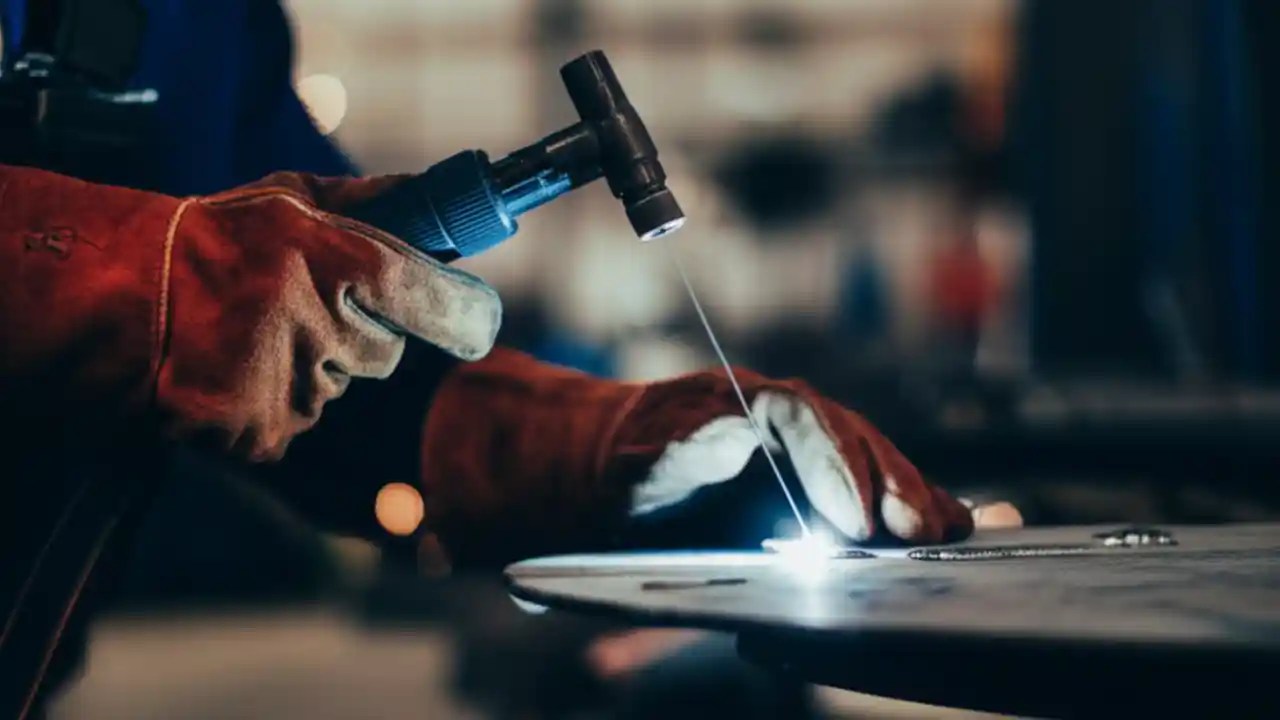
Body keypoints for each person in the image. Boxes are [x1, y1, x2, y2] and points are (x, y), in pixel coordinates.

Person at [0, 2, 978, 717]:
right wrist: (129, 278)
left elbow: (302, 340)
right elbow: (199, 289)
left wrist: (580, 444)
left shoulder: (205, 23)